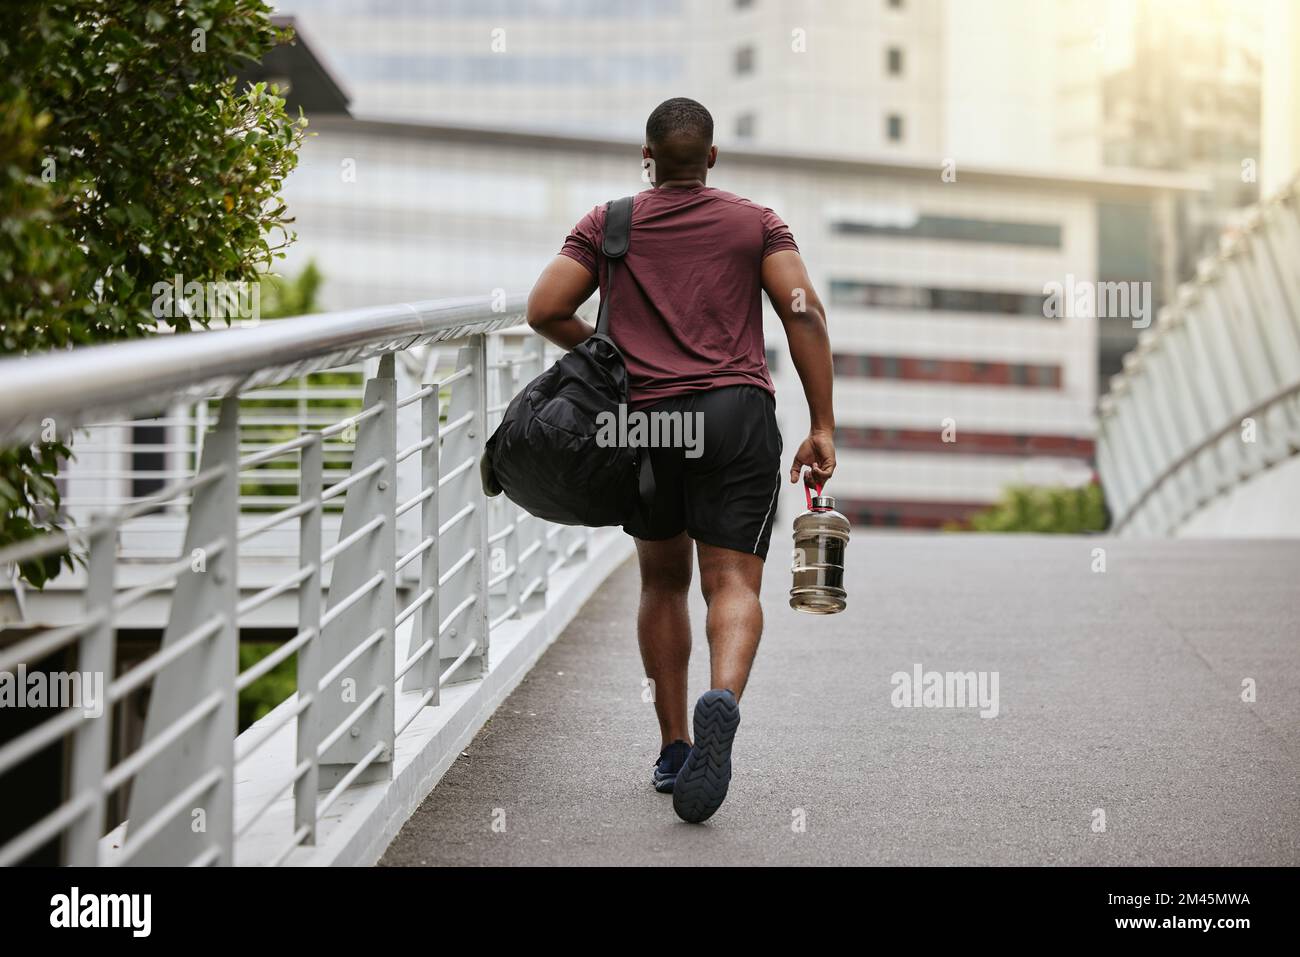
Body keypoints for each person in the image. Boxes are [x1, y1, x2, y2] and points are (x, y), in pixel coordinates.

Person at [525, 97, 835, 823]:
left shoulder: (609, 224)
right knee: (731, 580)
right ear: (713, 158)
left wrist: (611, 357)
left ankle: (674, 746)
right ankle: (722, 697)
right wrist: (821, 424)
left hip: (649, 423)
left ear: (647, 155)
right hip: (735, 415)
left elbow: (543, 309)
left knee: (662, 579)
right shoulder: (757, 222)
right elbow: (804, 312)